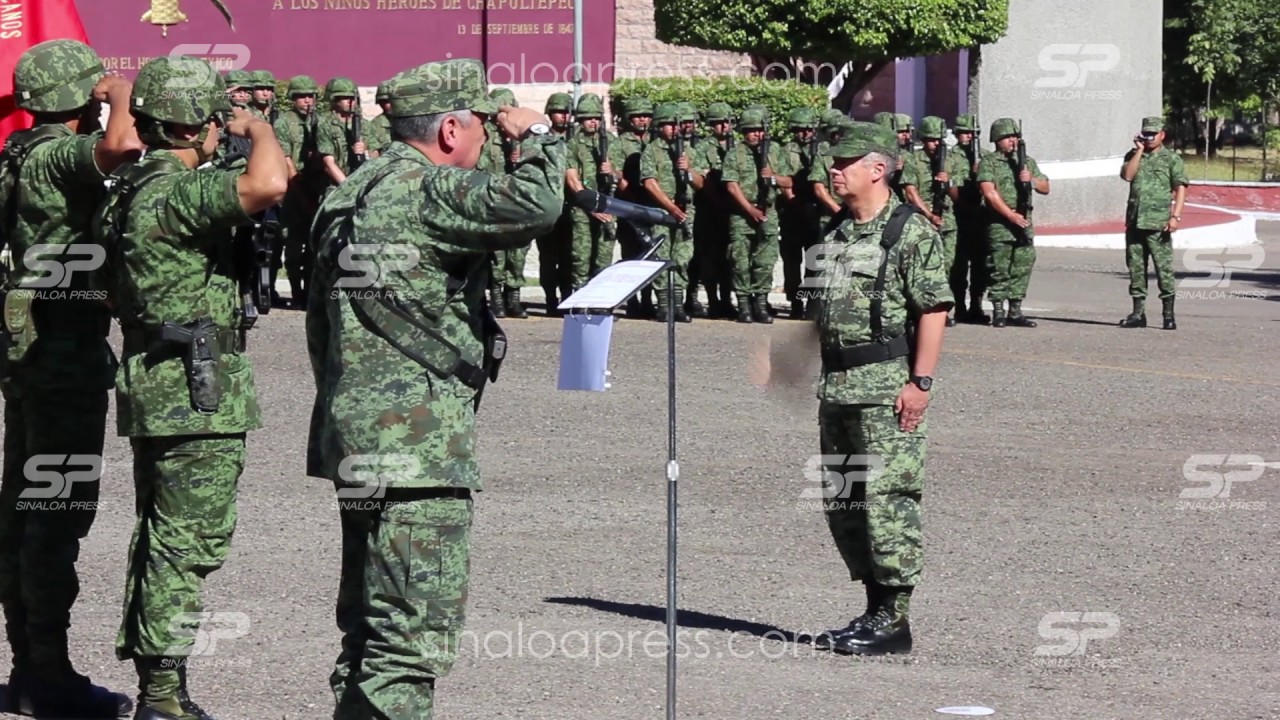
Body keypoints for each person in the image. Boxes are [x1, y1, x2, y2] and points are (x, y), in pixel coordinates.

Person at [306, 58, 565, 719]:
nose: (482, 138)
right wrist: (534, 137)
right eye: (478, 125)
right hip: (418, 451)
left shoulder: (347, 196)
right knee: (410, 640)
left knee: (368, 626)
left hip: (356, 438)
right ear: (450, 130)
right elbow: (538, 204)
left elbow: (318, 326)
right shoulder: (430, 190)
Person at [93, 55, 287, 719]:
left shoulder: (127, 186)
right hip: (194, 391)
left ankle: (162, 691)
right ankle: (162, 699)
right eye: (210, 120)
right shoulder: (175, 190)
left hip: (161, 379)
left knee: (161, 541)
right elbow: (268, 184)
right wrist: (259, 131)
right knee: (182, 549)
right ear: (191, 127)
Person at [759, 121, 951, 655]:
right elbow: (819, 313)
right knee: (845, 502)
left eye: (845, 163)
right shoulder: (836, 235)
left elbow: (934, 309)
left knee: (888, 502)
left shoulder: (911, 232)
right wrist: (785, 365)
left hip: (887, 389)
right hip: (837, 386)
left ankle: (895, 620)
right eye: (832, 164)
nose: (834, 172)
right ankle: (872, 610)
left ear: (878, 168)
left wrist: (921, 383)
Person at [0, 38, 140, 718]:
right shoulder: (57, 154)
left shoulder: (17, 152)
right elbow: (119, 150)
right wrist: (118, 97)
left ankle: (30, 665)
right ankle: (46, 675)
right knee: (54, 509)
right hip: (62, 351)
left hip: (34, 345)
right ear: (76, 97)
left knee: (25, 504)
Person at [977, 118, 1049, 328]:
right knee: (999, 267)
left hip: (1024, 224)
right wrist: (1010, 215)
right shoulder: (989, 162)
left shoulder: (1027, 161)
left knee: (1023, 265)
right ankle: (998, 310)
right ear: (997, 140)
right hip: (1000, 225)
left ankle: (1015, 310)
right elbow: (989, 192)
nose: (1012, 141)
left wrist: (1032, 181)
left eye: (1015, 137)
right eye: (1007, 137)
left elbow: (1045, 187)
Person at [1119, 116, 1187, 330]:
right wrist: (1138, 151)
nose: (1148, 138)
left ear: (1162, 135)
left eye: (1153, 134)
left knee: (1163, 270)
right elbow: (1128, 176)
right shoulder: (1133, 155)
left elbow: (1181, 187)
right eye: (1145, 134)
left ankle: (1168, 315)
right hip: (1135, 222)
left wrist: (1175, 216)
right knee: (1136, 269)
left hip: (1159, 224)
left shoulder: (1171, 159)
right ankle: (1138, 313)